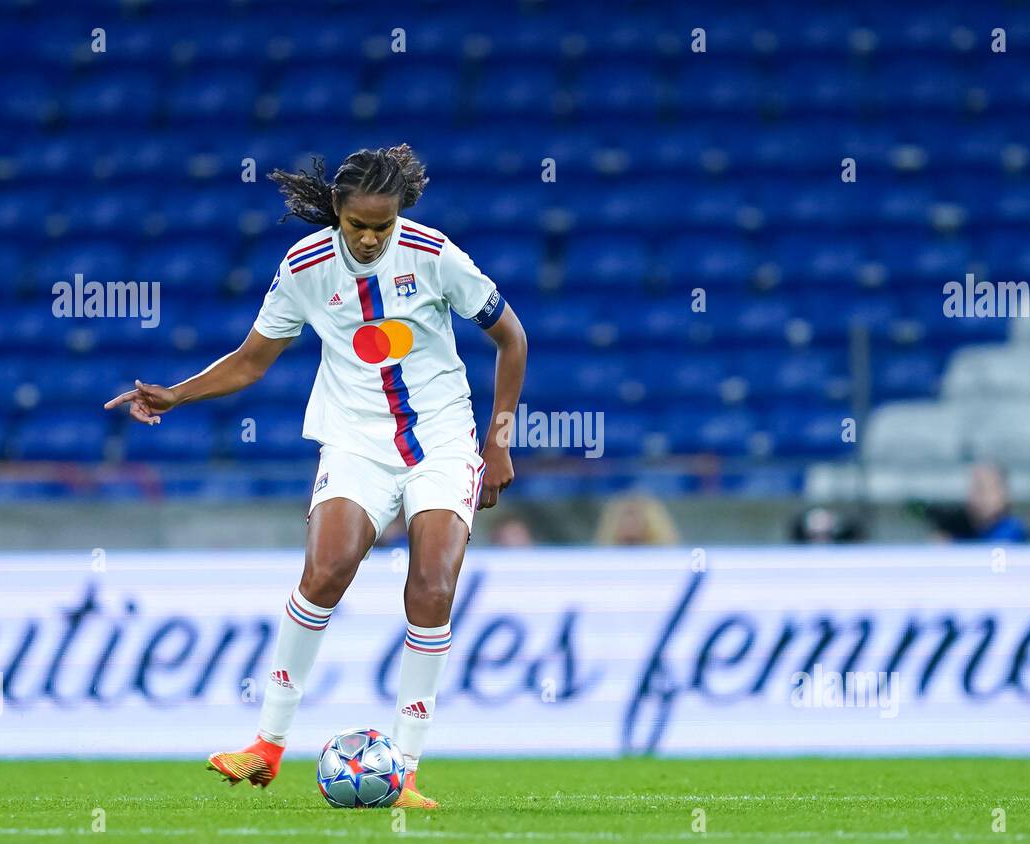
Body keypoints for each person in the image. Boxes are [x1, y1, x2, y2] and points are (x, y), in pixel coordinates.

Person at [104, 145, 528, 808]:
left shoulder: (435, 254)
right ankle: (266, 748)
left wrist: (499, 443)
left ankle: (406, 769)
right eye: (358, 224)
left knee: (433, 585)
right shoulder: (304, 268)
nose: (369, 238)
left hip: (443, 441)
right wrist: (174, 396)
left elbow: (512, 338)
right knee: (325, 573)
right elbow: (250, 363)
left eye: (381, 227)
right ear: (337, 210)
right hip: (355, 441)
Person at [594, 493, 680, 546]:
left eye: (634, 514)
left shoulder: (666, 560)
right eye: (625, 515)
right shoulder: (600, 559)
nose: (629, 522)